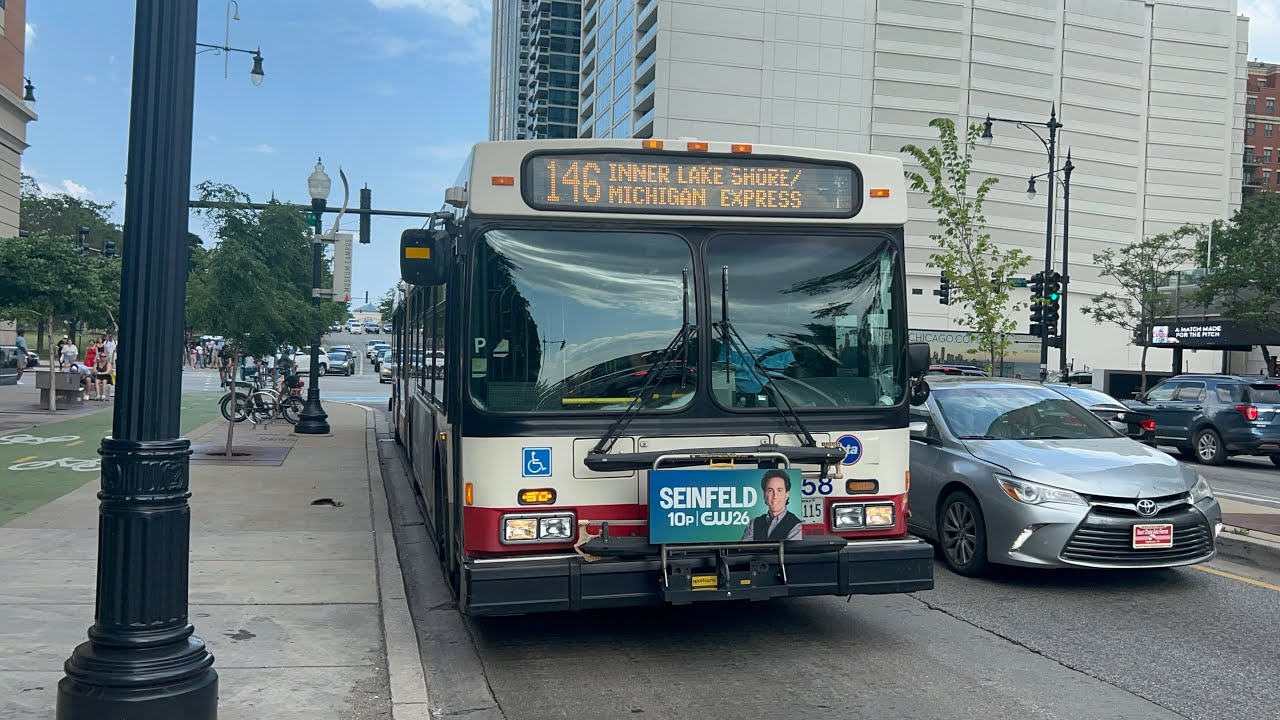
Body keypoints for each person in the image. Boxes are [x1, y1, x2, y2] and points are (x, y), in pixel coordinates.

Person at [740, 469, 804, 542]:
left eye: (779, 490)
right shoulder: (753, 523)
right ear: (764, 495)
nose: (775, 496)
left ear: (787, 494)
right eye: (770, 490)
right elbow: (744, 550)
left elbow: (789, 552)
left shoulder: (796, 526)